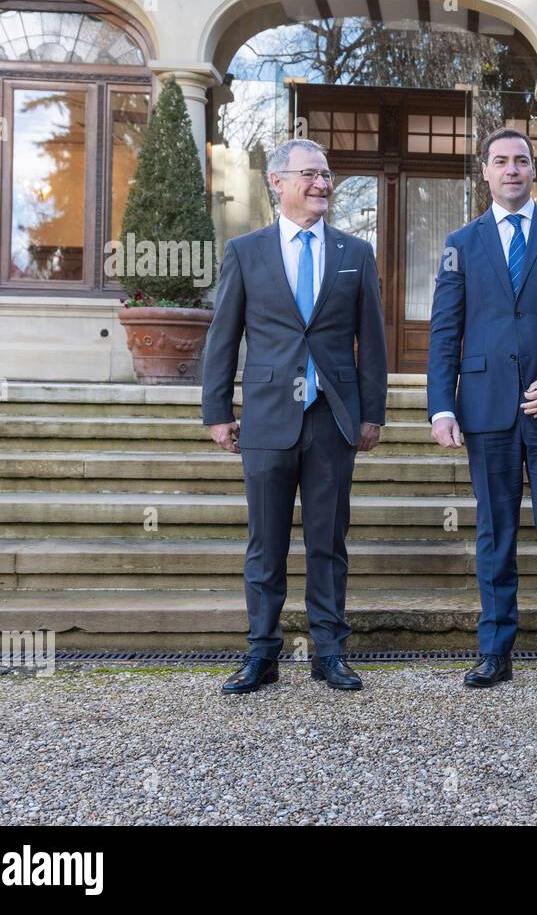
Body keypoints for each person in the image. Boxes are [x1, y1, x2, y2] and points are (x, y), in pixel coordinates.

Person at [202, 138, 388, 694]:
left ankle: (329, 652)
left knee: (329, 541)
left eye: (327, 175)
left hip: (332, 416)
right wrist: (217, 410)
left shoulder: (355, 253)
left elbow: (372, 342)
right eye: (309, 174)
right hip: (265, 417)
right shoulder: (246, 251)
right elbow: (223, 338)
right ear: (277, 183)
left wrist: (371, 412)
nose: (322, 184)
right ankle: (262, 654)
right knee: (266, 542)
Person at [427, 128, 537, 693]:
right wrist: (440, 406)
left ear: (535, 171)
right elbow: (444, 331)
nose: (512, 169)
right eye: (501, 161)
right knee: (495, 532)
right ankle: (495, 652)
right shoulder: (461, 241)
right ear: (485, 171)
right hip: (485, 410)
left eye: (522, 161)